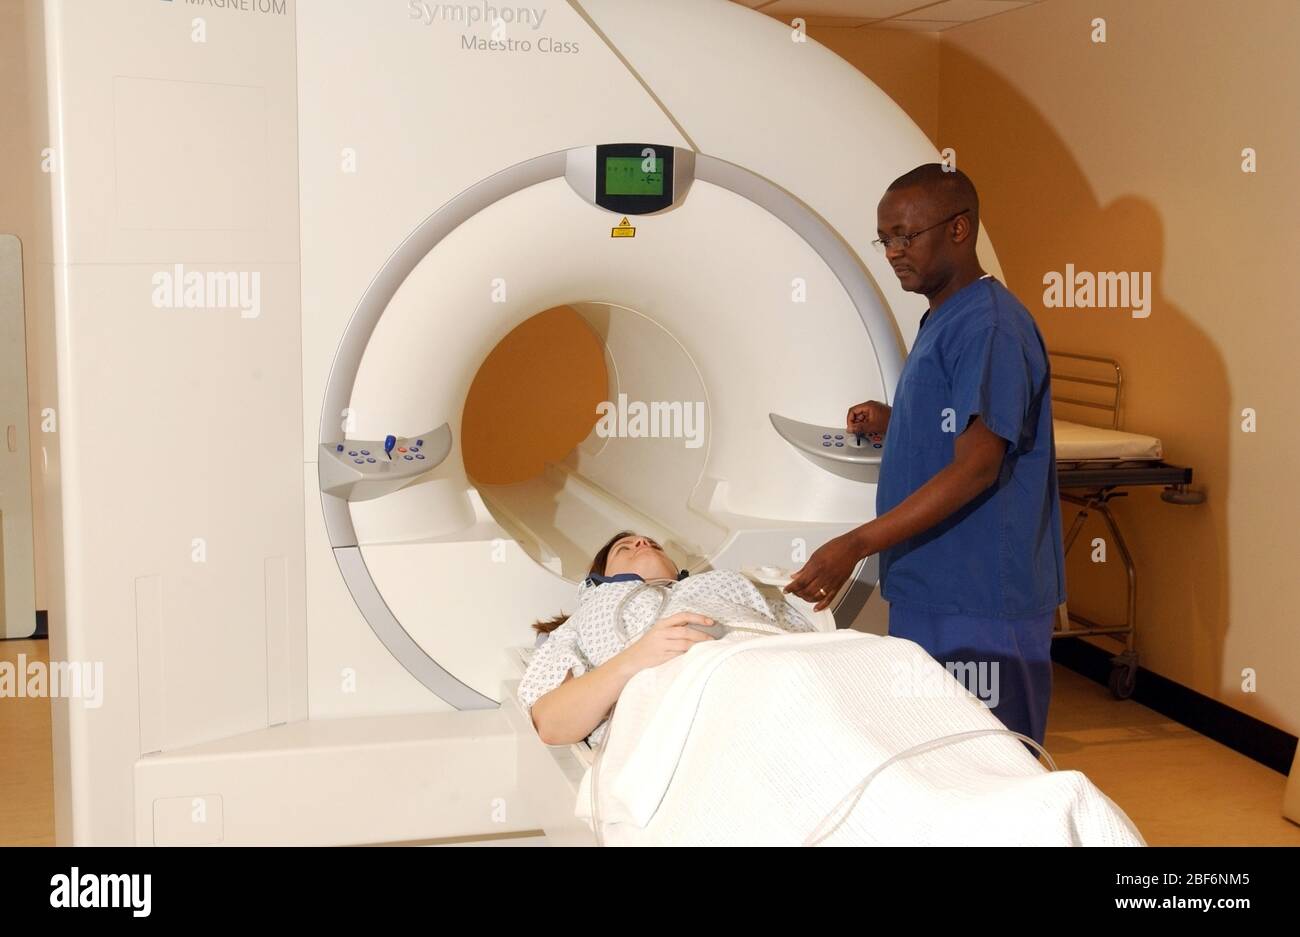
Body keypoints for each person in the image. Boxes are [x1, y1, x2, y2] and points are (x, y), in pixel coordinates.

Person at [784, 163, 1066, 746]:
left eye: (905, 236)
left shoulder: (989, 326)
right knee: (932, 757)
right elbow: (959, 426)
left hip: (981, 598)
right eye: (884, 238)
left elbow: (979, 464)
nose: (892, 252)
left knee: (991, 762)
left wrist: (856, 545)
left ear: (959, 229)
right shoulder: (943, 315)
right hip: (930, 584)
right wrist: (897, 422)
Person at [519, 531, 815, 746]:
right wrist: (635, 659)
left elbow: (810, 640)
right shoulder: (585, 618)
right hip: (708, 704)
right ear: (597, 579)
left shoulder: (724, 584)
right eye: (624, 547)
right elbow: (551, 723)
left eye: (653, 544)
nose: (642, 542)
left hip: (789, 671)